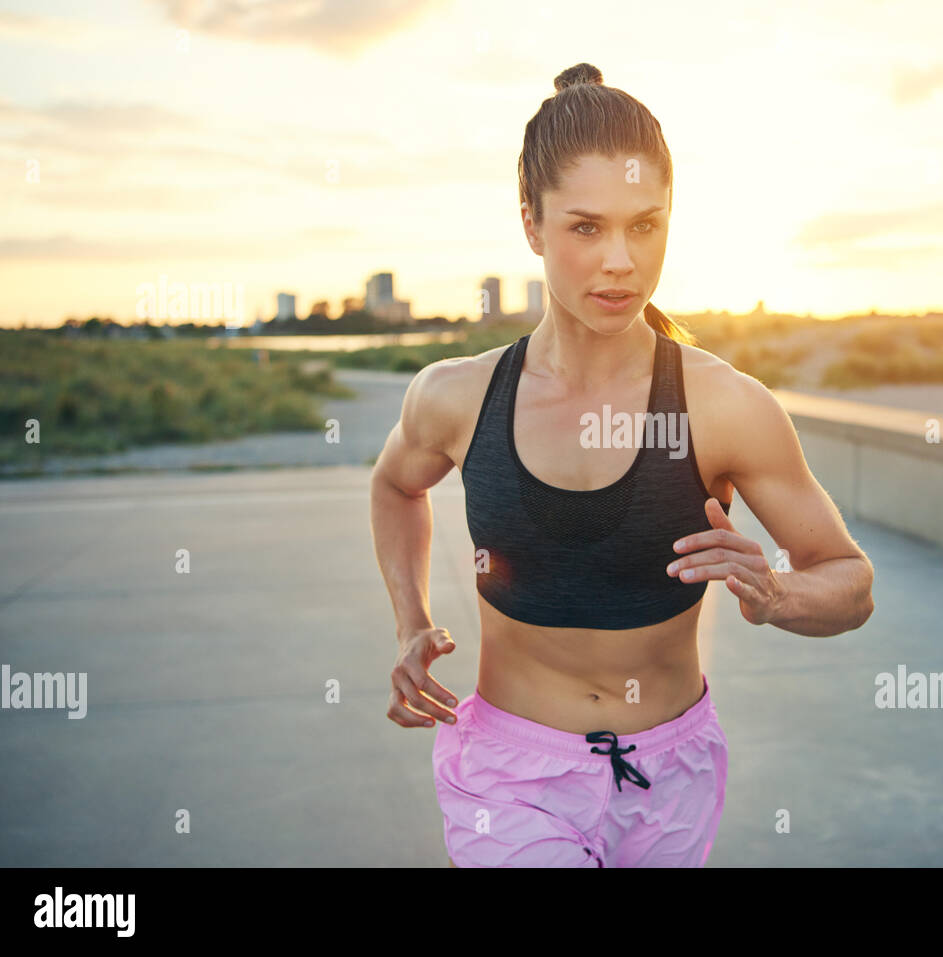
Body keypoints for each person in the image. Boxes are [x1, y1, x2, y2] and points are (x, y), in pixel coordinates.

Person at [370, 62, 875, 868]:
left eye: (645, 226)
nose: (620, 262)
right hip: (509, 777)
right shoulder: (455, 397)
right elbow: (396, 484)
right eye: (585, 228)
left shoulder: (725, 406)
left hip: (671, 777)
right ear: (532, 226)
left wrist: (778, 593)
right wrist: (408, 620)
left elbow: (850, 583)